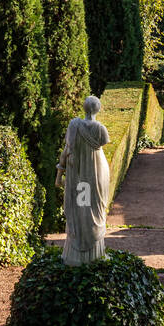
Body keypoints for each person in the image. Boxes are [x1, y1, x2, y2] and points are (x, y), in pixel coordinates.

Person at [56, 95, 111, 266]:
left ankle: (76, 255)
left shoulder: (74, 125)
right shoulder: (101, 129)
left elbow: (67, 151)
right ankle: (92, 255)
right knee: (92, 209)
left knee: (81, 209)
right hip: (95, 175)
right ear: (98, 109)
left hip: (80, 177)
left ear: (84, 108)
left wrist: (59, 173)